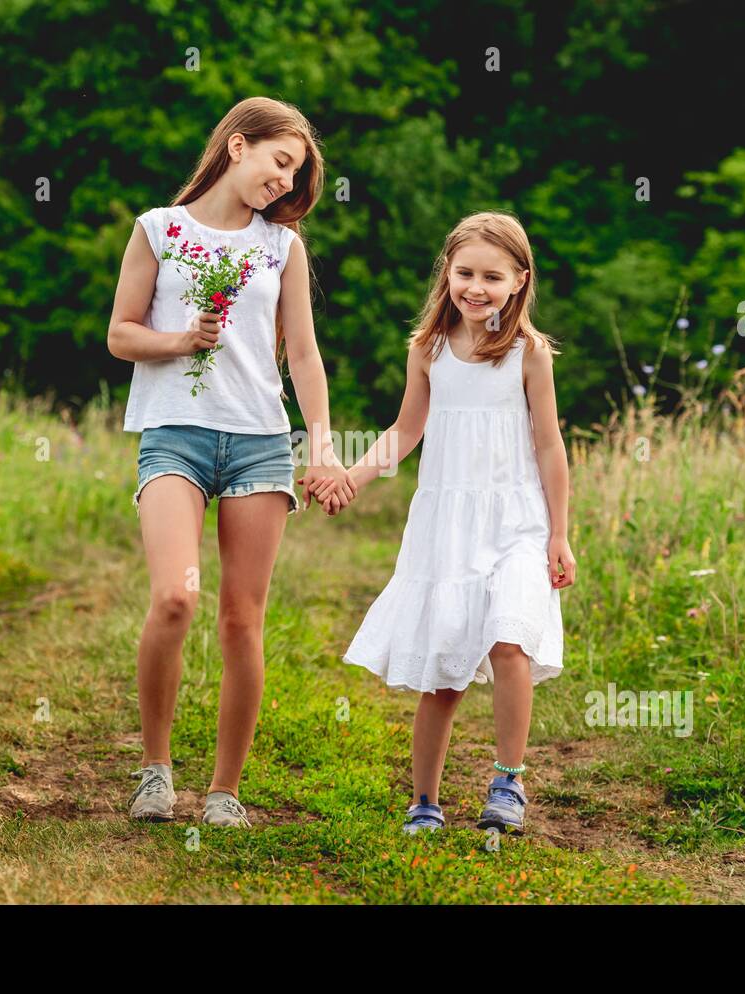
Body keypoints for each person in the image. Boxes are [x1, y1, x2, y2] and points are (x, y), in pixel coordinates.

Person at [107, 97, 354, 827]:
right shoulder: (159, 229)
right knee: (174, 599)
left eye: (296, 175)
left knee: (243, 621)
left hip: (258, 441)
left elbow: (303, 354)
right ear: (239, 145)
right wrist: (183, 340)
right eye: (281, 163)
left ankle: (223, 792)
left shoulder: (283, 247)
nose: (285, 182)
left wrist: (324, 441)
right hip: (175, 433)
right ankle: (155, 771)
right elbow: (121, 334)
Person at [318, 211, 576, 835]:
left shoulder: (528, 354)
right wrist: (353, 475)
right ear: (448, 274)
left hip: (517, 520)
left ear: (519, 280)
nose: (476, 287)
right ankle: (425, 801)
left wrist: (559, 533)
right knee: (445, 671)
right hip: (449, 526)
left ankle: (507, 782)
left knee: (510, 642)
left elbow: (549, 445)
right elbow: (407, 431)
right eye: (465, 273)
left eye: (492, 276)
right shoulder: (428, 349)